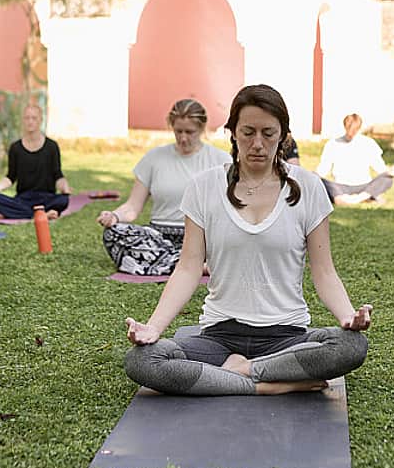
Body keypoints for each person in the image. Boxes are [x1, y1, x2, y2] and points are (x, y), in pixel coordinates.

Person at [123, 84, 372, 396]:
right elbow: (187, 268)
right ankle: (267, 386)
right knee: (142, 360)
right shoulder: (204, 187)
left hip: (287, 336)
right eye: (248, 132)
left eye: (268, 133)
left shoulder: (308, 187)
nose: (258, 144)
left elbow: (324, 272)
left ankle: (244, 371)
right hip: (219, 336)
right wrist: (153, 328)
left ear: (283, 135)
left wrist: (348, 317)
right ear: (232, 132)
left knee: (351, 346)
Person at [97, 98, 230, 276]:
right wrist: (114, 216)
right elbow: (132, 207)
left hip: (200, 238)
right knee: (113, 233)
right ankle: (190, 265)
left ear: (202, 128)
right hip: (158, 238)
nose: (183, 138)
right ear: (171, 127)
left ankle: (172, 264)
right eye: (178, 131)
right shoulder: (154, 157)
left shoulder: (220, 161)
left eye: (190, 132)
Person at [0, 103, 71, 220]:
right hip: (23, 199)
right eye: (27, 118)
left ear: (40, 120)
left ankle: (29, 214)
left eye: (34, 118)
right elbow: (11, 177)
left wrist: (65, 188)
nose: (30, 121)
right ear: (23, 121)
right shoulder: (15, 148)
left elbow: (57, 174)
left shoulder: (52, 146)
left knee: (63, 200)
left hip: (47, 198)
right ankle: (40, 215)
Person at [315, 113, 394, 205]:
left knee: (387, 179)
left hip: (364, 185)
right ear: (345, 127)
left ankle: (358, 198)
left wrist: (391, 171)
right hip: (341, 186)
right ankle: (362, 197)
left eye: (354, 130)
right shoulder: (332, 144)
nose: (351, 133)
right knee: (320, 182)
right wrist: (314, 175)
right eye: (349, 129)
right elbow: (323, 169)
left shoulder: (369, 143)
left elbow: (380, 168)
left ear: (359, 128)